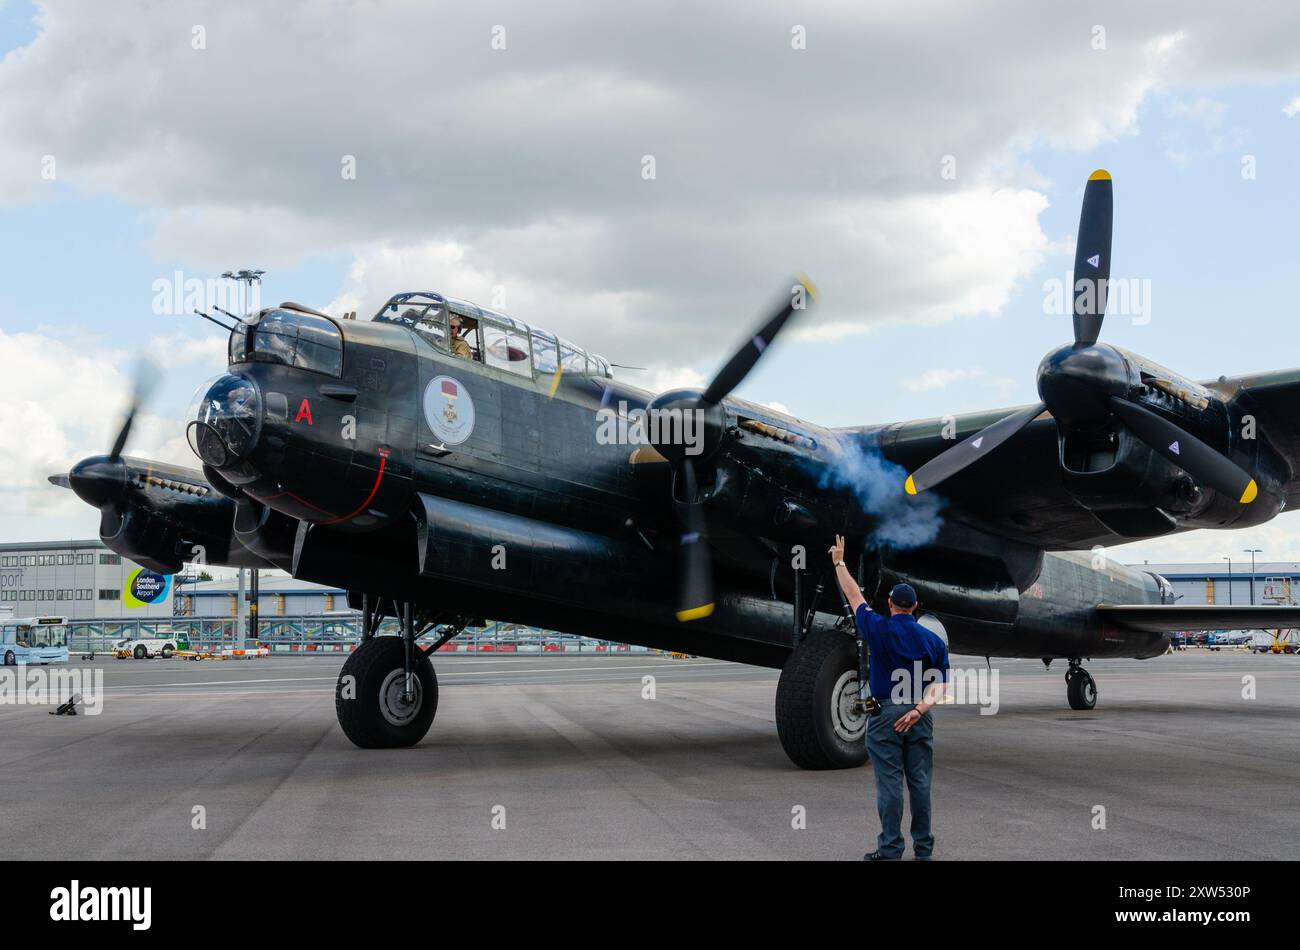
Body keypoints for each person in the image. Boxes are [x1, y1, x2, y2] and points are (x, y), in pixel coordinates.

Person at [828, 534, 950, 861]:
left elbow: (853, 593)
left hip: (884, 716)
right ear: (916, 608)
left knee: (890, 786)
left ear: (891, 605)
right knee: (920, 785)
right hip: (919, 715)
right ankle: (923, 851)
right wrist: (920, 710)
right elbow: (941, 684)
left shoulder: (878, 628)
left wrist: (839, 561)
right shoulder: (933, 641)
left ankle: (891, 850)